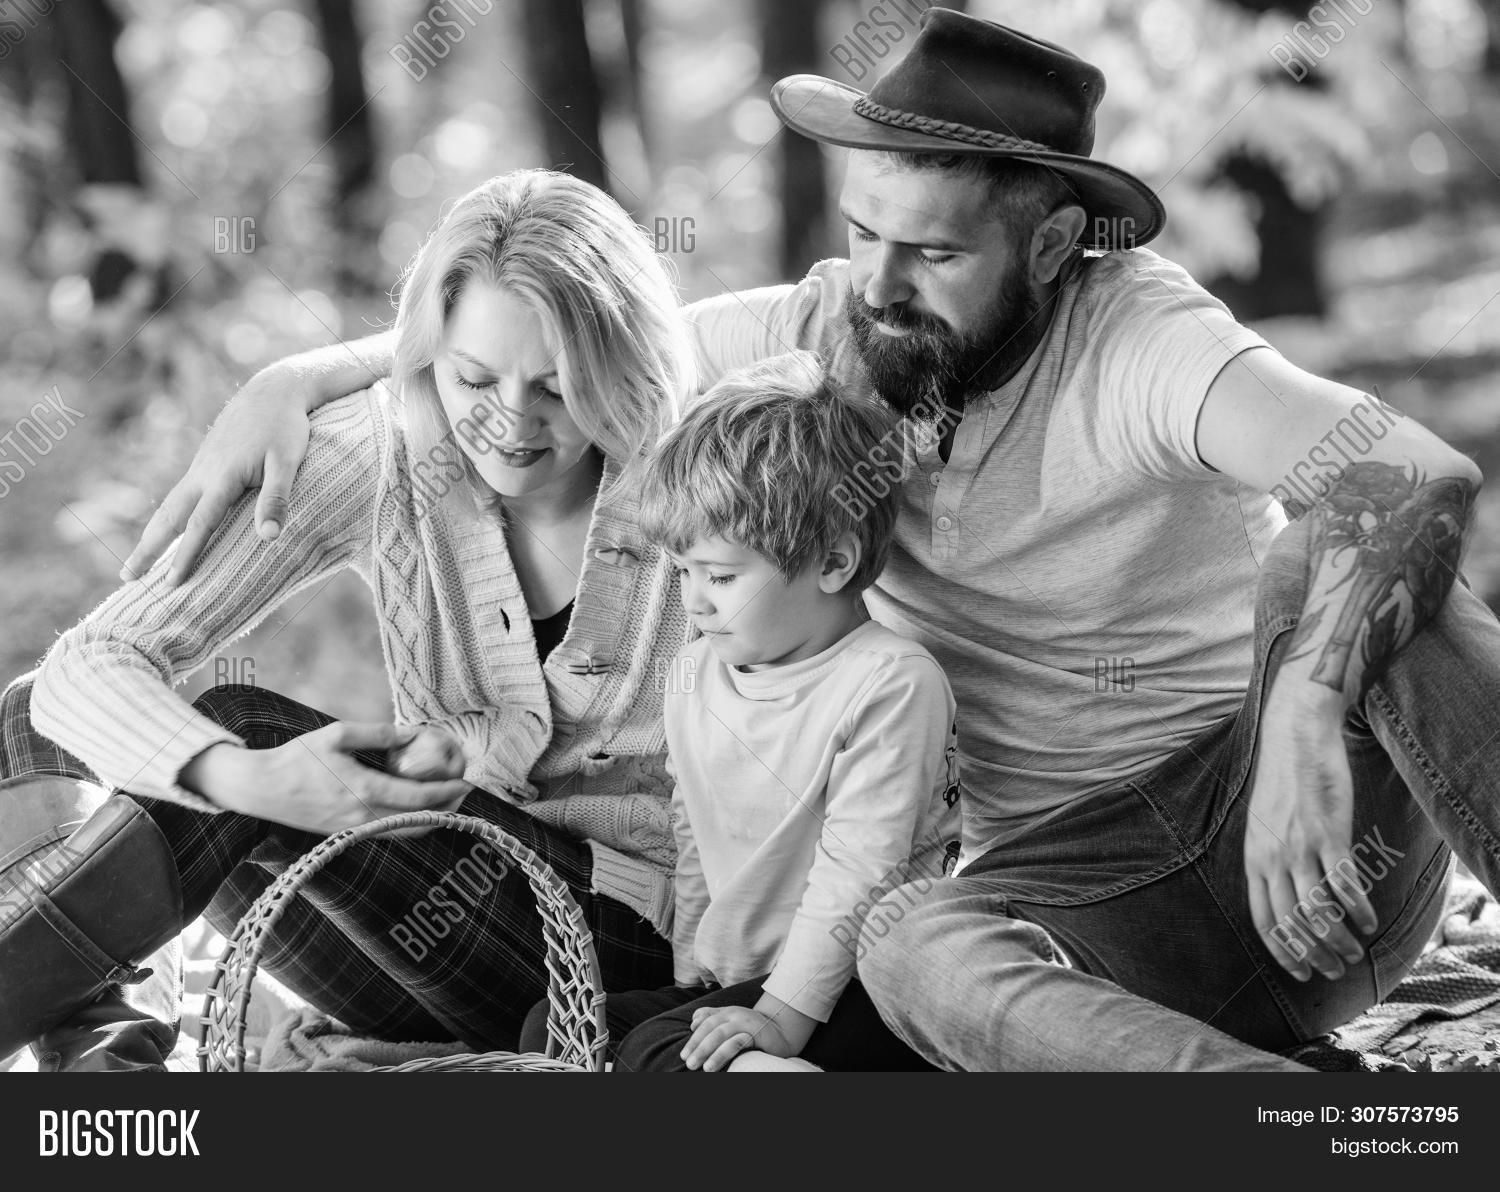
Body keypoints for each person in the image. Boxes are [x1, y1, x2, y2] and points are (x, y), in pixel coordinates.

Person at [119, 11, 1497, 1071]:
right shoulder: (842, 323)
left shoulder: (1141, 334)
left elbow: (1411, 468)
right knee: (903, 940)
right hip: (1084, 921)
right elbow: (580, 328)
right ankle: (1287, 1121)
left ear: (1057, 240)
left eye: (935, 256)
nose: (882, 287)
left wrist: (1310, 714)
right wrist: (300, 377)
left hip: (1292, 835)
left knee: (1371, 566)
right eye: (862, 236)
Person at [0, 167, 699, 1070]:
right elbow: (91, 661)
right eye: (475, 377)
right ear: (428, 355)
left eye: (558, 389)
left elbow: (822, 311)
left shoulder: (707, 471)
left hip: (623, 948)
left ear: (617, 364)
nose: (511, 422)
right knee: (44, 712)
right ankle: (105, 1083)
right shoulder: (389, 444)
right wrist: (248, 784)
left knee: (240, 723)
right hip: (424, 923)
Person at [520, 355, 960, 1071]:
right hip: (750, 983)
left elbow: (861, 875)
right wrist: (692, 968)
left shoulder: (890, 683)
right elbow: (694, 826)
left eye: (721, 577)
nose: (694, 602)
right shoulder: (697, 673)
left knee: (657, 1054)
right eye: (684, 572)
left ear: (833, 563)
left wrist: (779, 1020)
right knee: (559, 1025)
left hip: (866, 989)